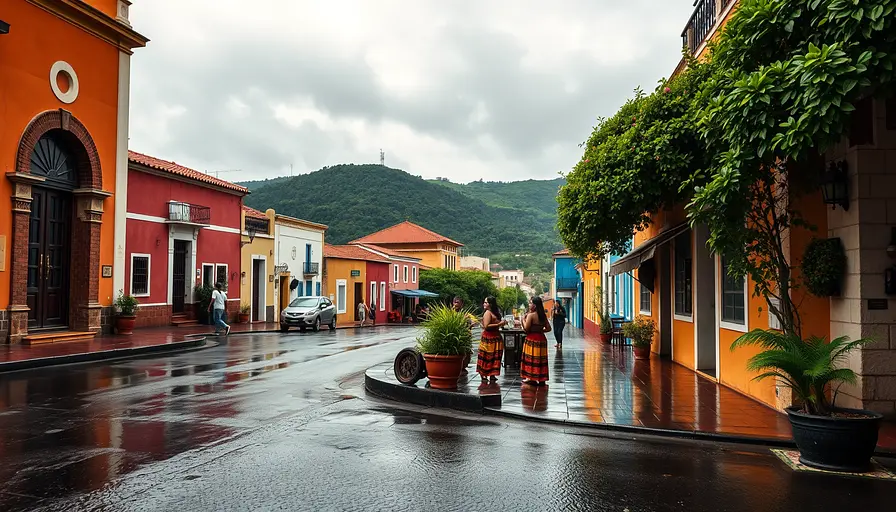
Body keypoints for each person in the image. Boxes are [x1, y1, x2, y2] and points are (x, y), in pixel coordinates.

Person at [521, 296, 551, 385]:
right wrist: (541, 330)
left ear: (534, 305)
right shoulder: (542, 315)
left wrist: (523, 319)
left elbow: (526, 329)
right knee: (541, 359)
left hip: (532, 339)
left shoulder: (531, 315)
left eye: (530, 303)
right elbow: (549, 328)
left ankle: (531, 377)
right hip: (541, 339)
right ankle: (542, 378)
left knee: (531, 358)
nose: (529, 305)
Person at [477, 296, 507, 382]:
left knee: (495, 356)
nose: (484, 304)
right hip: (488, 337)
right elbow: (486, 326)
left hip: (496, 337)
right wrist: (499, 324)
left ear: (491, 304)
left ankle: (492, 374)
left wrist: (502, 323)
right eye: (484, 302)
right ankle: (484, 374)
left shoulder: (494, 313)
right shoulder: (487, 313)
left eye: (486, 302)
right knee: (487, 356)